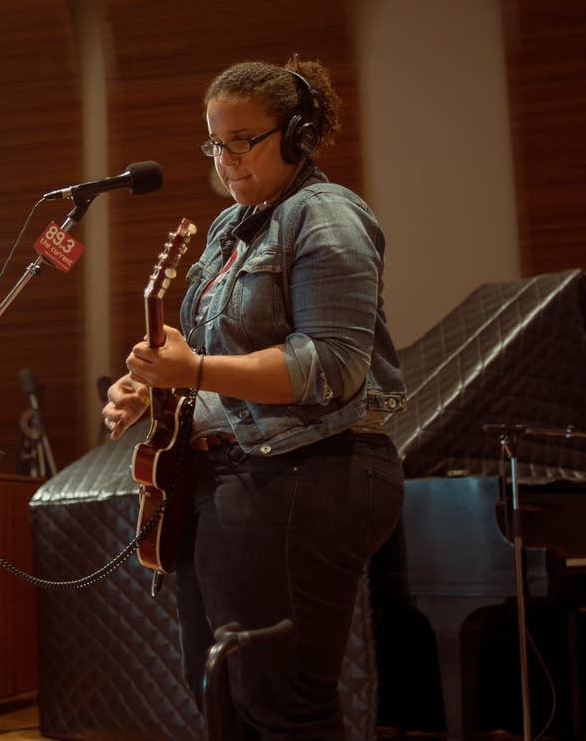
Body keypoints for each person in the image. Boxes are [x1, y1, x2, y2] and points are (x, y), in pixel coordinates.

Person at [102, 57, 408, 738]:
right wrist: (153, 383)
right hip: (231, 475)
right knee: (220, 696)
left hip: (311, 470)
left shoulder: (325, 215)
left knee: (281, 704)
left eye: (243, 140)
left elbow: (332, 365)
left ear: (297, 135)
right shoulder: (225, 229)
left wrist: (196, 371)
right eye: (215, 142)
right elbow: (212, 357)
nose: (225, 158)